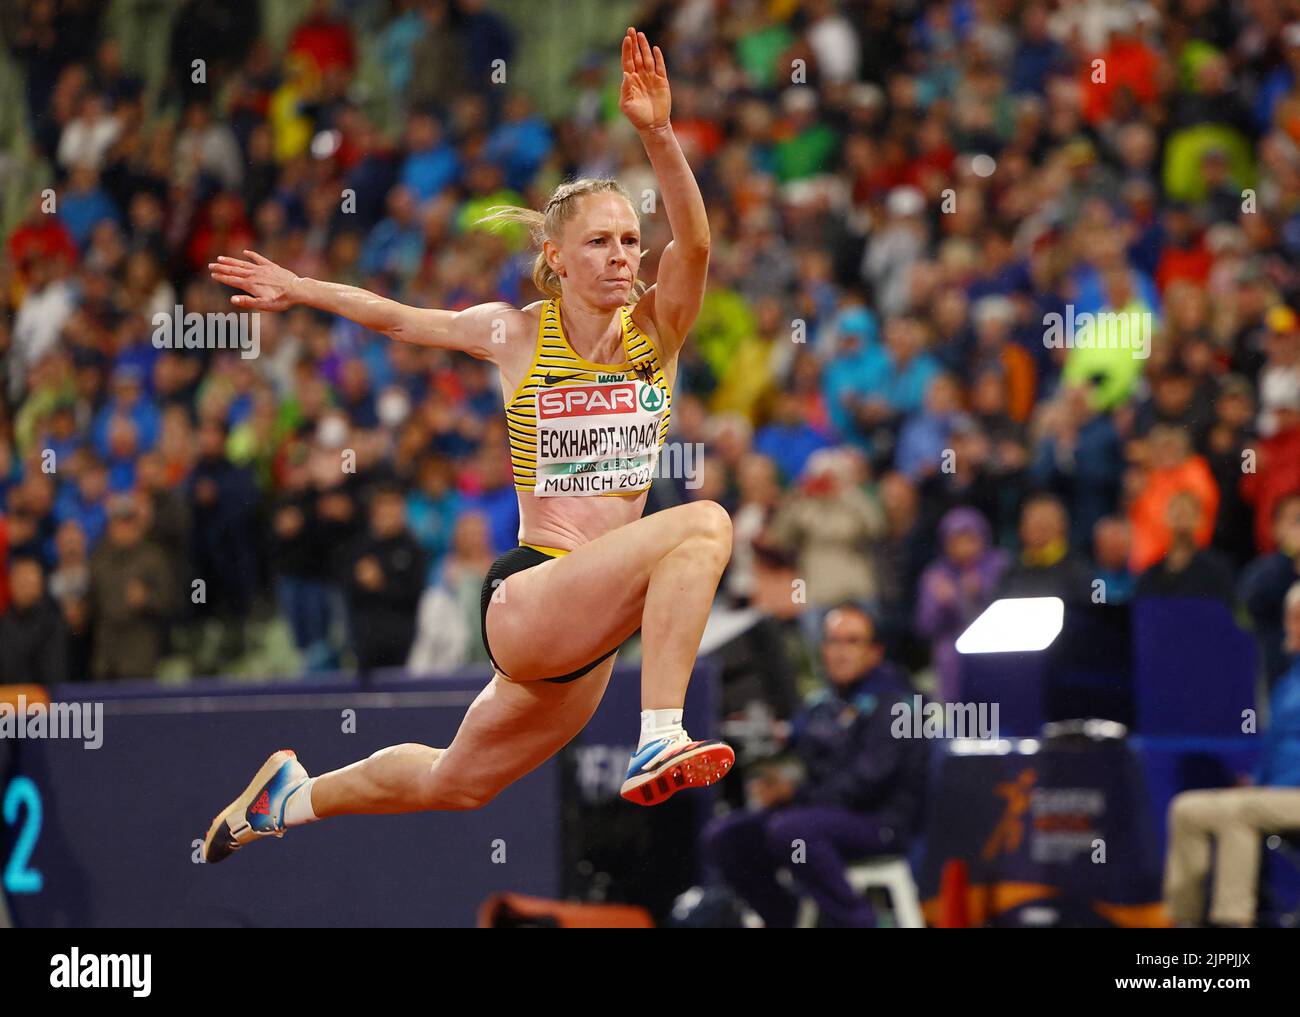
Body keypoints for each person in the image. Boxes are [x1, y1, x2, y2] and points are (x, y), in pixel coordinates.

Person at [201, 29, 735, 862]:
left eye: (630, 240)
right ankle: (661, 732)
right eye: (600, 241)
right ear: (554, 259)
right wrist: (300, 287)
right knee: (703, 523)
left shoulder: (656, 335)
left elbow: (696, 247)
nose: (623, 255)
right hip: (532, 594)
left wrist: (658, 135)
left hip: (585, 640)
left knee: (458, 781)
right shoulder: (516, 333)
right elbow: (397, 316)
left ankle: (289, 797)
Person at [701, 603, 928, 928]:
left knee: (791, 830)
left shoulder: (897, 705)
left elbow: (865, 784)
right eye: (833, 641)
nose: (840, 652)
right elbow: (797, 739)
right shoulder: (824, 703)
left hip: (879, 822)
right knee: (726, 837)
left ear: (874, 652)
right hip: (820, 814)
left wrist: (793, 793)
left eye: (852, 642)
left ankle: (860, 921)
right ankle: (787, 919)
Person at [1162, 581, 1300, 927]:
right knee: (1187, 809)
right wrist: (1257, 783)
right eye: (1288, 618)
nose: (1289, 626)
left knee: (1241, 812)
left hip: (1292, 794)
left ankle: (1232, 920)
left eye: (1298, 619)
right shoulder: (1287, 682)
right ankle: (1183, 919)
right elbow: (1276, 750)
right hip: (1277, 793)